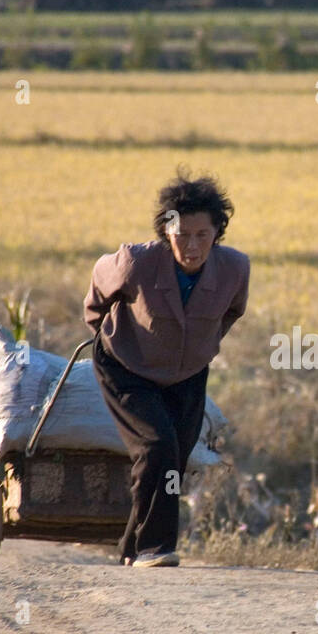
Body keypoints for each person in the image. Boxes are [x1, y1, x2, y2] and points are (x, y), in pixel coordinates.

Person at [83, 169, 249, 567]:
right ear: (165, 233)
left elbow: (231, 313)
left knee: (173, 459)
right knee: (156, 446)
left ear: (217, 234)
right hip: (126, 368)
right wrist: (111, 336)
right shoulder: (134, 263)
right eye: (181, 236)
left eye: (202, 236)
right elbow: (95, 302)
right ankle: (155, 548)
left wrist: (199, 347)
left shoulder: (235, 269)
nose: (191, 246)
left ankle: (130, 551)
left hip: (187, 374)